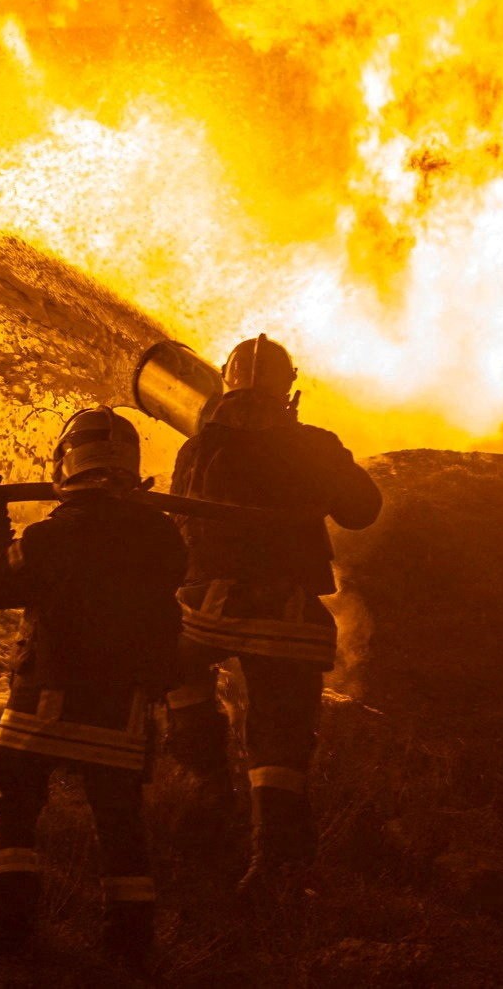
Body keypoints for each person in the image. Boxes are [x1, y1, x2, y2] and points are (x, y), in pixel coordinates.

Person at [162, 335, 382, 901]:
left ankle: (204, 788)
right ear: (289, 389)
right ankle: (274, 863)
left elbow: (184, 528)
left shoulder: (196, 448)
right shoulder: (313, 444)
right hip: (285, 616)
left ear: (225, 384)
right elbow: (362, 511)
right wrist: (325, 463)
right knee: (279, 739)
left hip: (203, 611)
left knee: (175, 670)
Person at [0, 407, 186, 968]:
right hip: (122, 710)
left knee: (13, 800)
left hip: (46, 700)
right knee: (120, 823)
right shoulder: (162, 534)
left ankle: (9, 930)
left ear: (66, 465)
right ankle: (131, 944)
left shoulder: (52, 535)